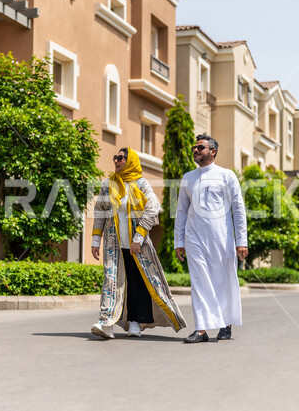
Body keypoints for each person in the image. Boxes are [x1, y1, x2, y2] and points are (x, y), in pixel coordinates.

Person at [90, 147, 187, 339]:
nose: (116, 160)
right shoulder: (108, 184)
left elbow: (153, 208)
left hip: (138, 247)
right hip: (113, 246)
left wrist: (138, 238)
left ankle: (135, 322)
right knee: (111, 282)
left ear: (131, 160)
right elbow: (100, 212)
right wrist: (95, 240)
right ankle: (106, 323)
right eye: (115, 157)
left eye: (121, 158)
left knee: (137, 285)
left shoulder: (141, 183)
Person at [174, 134, 248, 343]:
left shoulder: (227, 176)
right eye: (194, 148)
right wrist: (179, 242)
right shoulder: (188, 177)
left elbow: (239, 210)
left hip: (222, 239)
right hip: (194, 239)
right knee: (199, 282)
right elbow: (181, 211)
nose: (195, 151)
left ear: (212, 151)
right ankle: (201, 329)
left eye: (200, 147)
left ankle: (226, 324)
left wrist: (242, 241)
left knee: (223, 281)